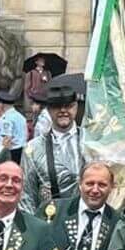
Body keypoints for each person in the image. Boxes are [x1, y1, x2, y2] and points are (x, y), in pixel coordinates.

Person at [20, 82, 86, 215]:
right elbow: (26, 194)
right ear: (49, 110)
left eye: (68, 106)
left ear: (76, 107)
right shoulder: (33, 148)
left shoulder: (91, 140)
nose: (63, 111)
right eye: (57, 106)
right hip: (50, 220)